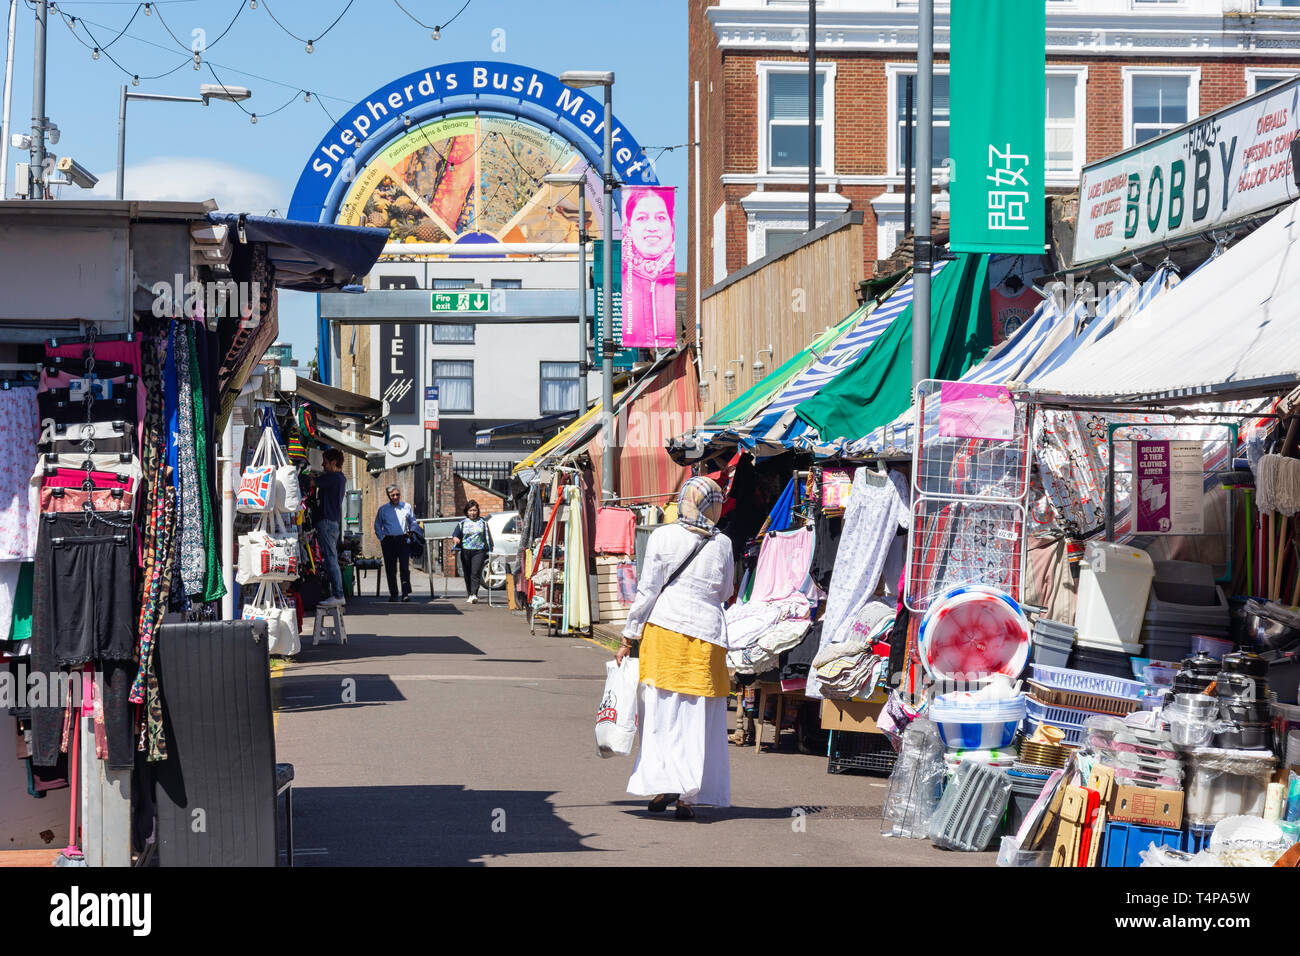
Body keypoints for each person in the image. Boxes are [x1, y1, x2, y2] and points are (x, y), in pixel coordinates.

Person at [617, 476, 733, 820]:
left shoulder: (663, 536)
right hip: (708, 634)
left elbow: (648, 590)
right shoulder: (723, 543)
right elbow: (726, 591)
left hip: (665, 629)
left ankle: (663, 782)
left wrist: (628, 636)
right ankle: (687, 795)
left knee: (662, 712)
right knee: (699, 716)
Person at [620, 188, 676, 349]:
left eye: (660, 218)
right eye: (642, 218)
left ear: (671, 226)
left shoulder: (676, 282)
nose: (652, 227)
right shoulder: (620, 281)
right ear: (629, 228)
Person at [315, 449, 348, 608]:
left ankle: (338, 594)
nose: (323, 465)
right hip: (331, 522)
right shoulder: (339, 478)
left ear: (334, 462)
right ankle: (337, 594)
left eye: (325, 462)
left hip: (327, 522)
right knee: (330, 558)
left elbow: (313, 483)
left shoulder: (333, 477)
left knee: (331, 558)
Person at [374, 484, 417, 602]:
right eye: (393, 495)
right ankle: (393, 594)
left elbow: (413, 521)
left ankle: (405, 593)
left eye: (397, 494)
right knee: (390, 568)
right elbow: (377, 524)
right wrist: (381, 538)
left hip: (402, 539)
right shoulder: (383, 509)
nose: (395, 497)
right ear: (388, 496)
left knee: (404, 567)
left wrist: (412, 530)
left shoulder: (406, 507)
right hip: (388, 540)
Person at [451, 500, 494, 604]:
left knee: (475, 572)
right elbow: (455, 534)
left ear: (477, 511)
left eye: (474, 510)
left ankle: (474, 594)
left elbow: (488, 536)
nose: (472, 513)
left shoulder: (483, 522)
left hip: (479, 551)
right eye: (470, 510)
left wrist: (490, 548)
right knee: (467, 573)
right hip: (465, 551)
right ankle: (470, 593)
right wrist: (456, 539)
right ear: (467, 511)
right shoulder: (462, 523)